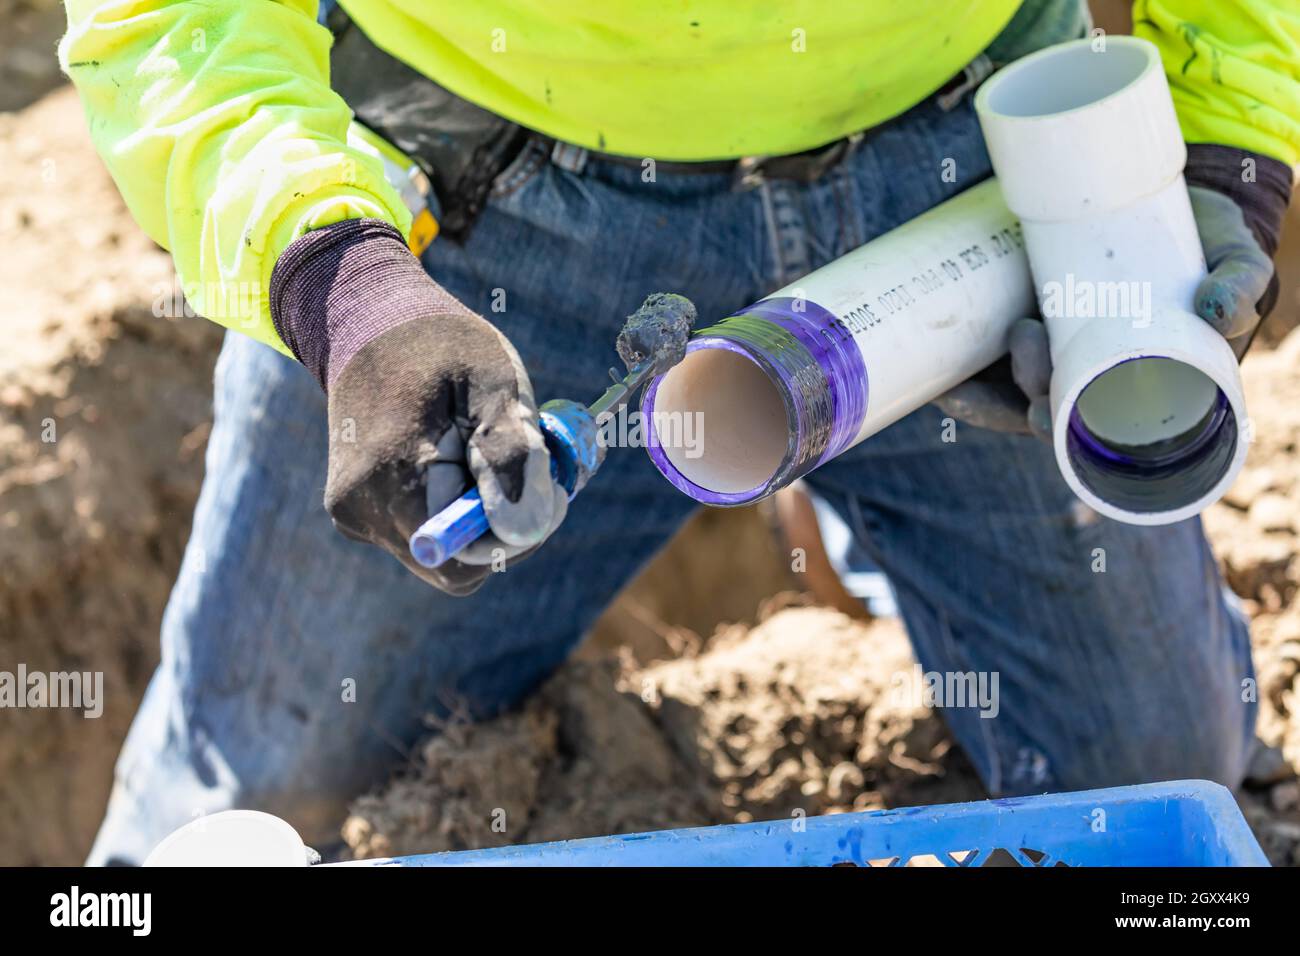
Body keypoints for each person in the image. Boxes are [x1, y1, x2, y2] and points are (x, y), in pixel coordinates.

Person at [59, 0, 1296, 864]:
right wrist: (346, 287)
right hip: (482, 207)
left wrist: (1229, 147)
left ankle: (879, 486)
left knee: (1151, 764)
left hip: (976, 171)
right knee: (256, 801)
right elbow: (167, 15)